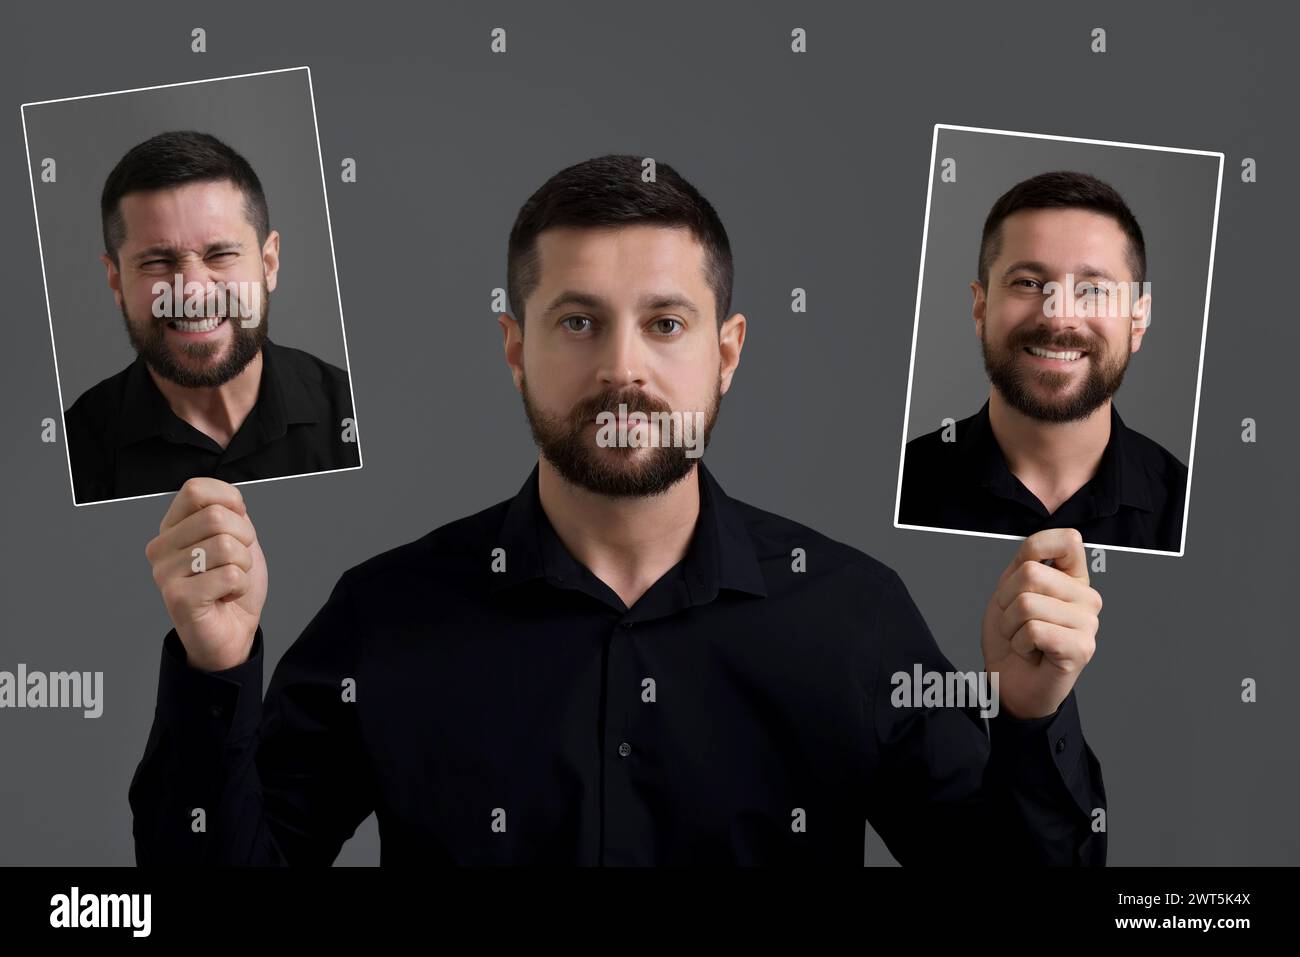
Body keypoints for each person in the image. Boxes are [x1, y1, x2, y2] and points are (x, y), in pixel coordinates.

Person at [130, 155, 1106, 865]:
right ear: (516, 348)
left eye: (665, 323)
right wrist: (214, 675)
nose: (623, 369)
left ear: (725, 352)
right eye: (578, 322)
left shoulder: (852, 617)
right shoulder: (384, 617)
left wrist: (1031, 716)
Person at [899, 171, 1188, 552]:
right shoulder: (900, 485)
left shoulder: (1190, 510)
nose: (1057, 316)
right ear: (981, 307)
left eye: (1092, 289)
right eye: (1028, 283)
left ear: (1138, 321)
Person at [64, 131, 358, 505]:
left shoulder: (352, 415)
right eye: (157, 262)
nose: (192, 291)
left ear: (269, 263)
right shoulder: (71, 456)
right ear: (116, 280)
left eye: (220, 255)